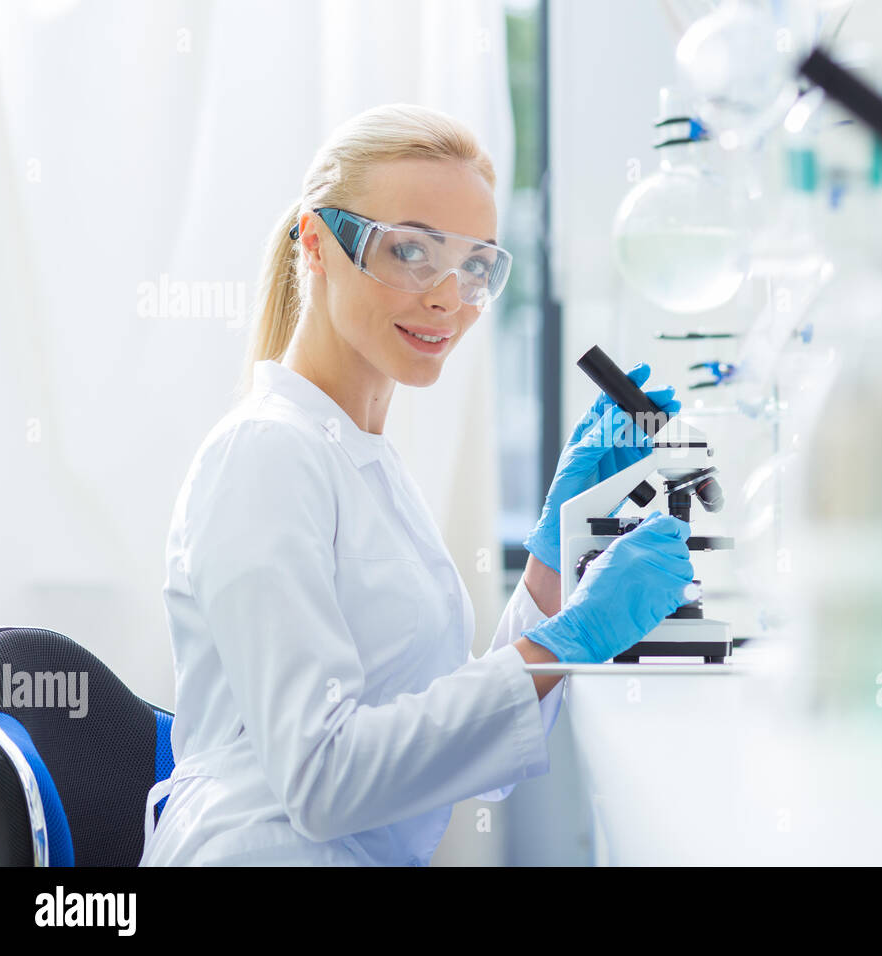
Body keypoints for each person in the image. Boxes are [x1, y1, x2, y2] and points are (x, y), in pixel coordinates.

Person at [138, 103, 694, 866]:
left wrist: (552, 554)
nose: (448, 297)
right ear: (316, 244)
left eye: (475, 265)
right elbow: (325, 779)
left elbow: (444, 744)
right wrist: (574, 639)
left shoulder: (359, 456)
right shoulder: (265, 454)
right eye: (410, 253)